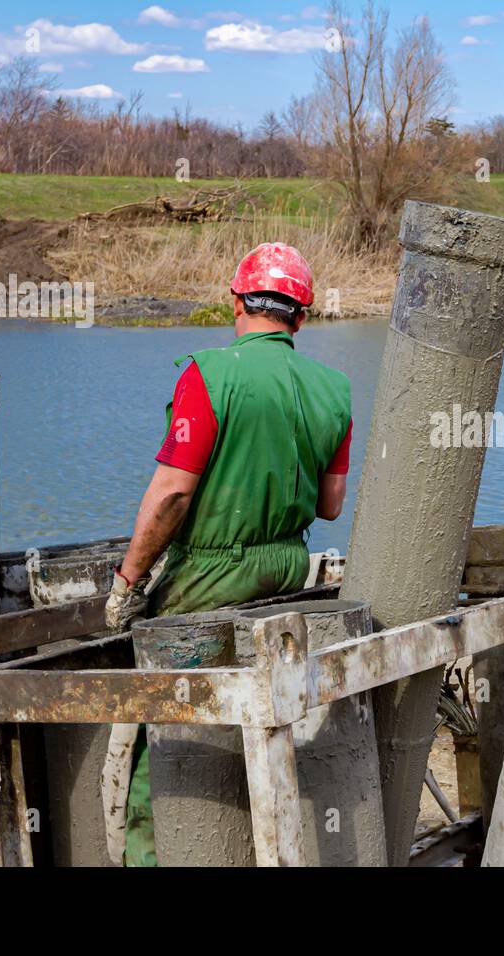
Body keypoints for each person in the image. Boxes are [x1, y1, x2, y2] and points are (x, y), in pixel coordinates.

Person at [103, 242, 353, 865]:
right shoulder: (335, 389)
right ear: (302, 317)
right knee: (266, 722)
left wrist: (129, 580)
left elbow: (171, 496)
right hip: (289, 573)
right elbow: (329, 506)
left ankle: (156, 855)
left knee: (166, 729)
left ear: (237, 303)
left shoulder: (207, 374)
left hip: (208, 579)